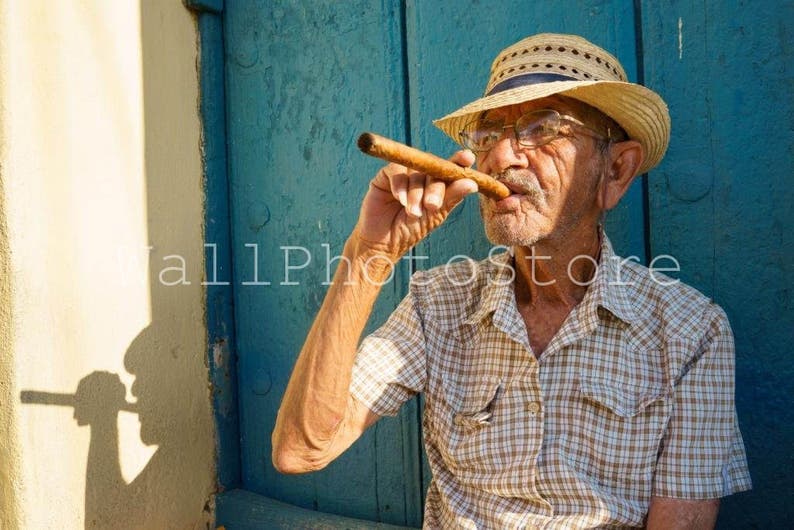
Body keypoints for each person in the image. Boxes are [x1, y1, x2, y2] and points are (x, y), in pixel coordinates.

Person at [271, 33, 751, 529]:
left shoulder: (691, 331)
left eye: (541, 128)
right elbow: (301, 450)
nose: (500, 158)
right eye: (487, 136)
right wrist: (371, 252)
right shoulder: (438, 305)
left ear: (615, 169)